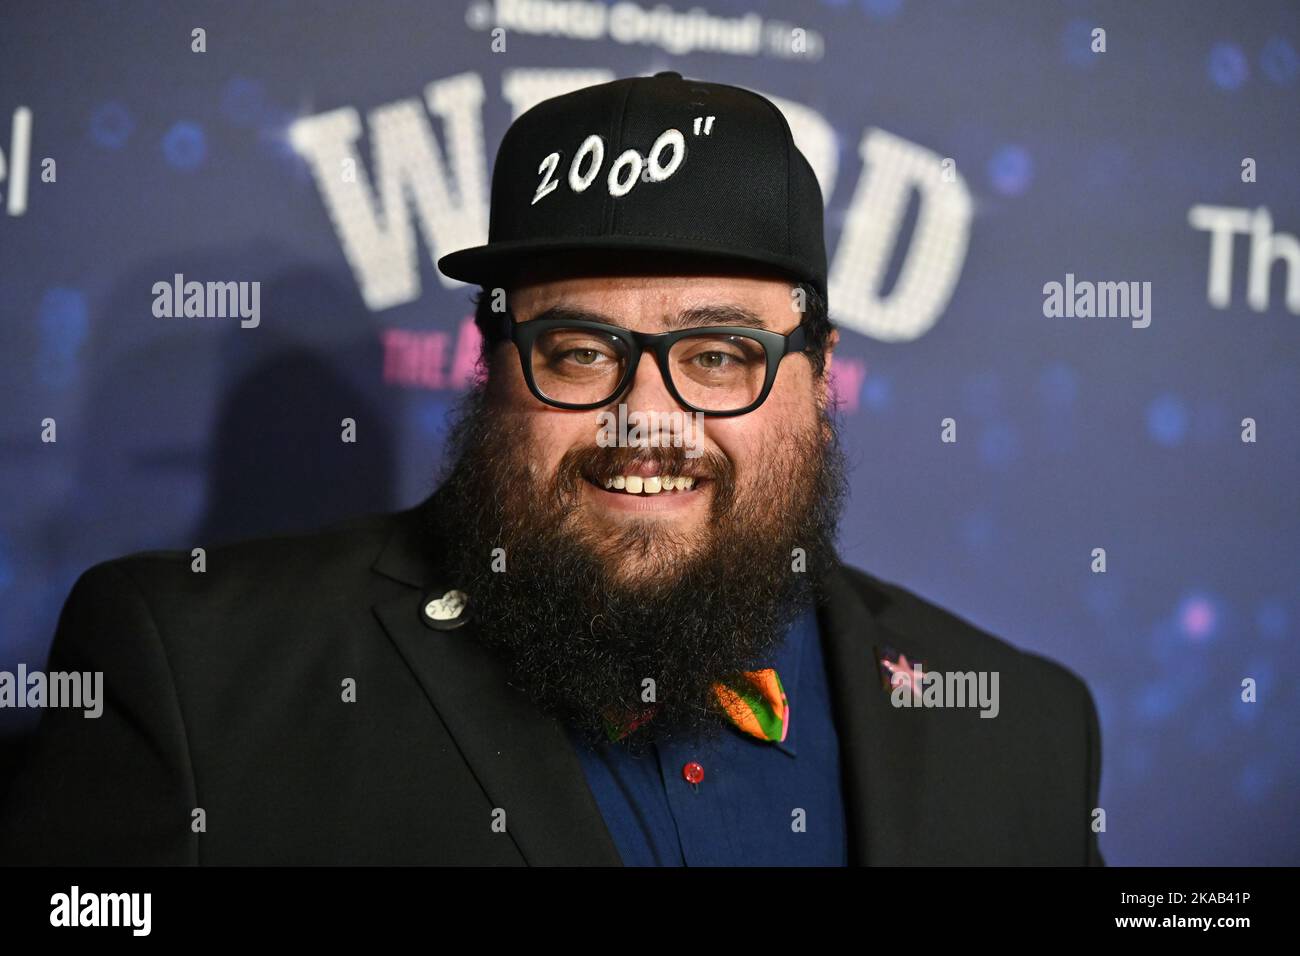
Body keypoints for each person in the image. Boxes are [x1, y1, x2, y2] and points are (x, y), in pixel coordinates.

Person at [0, 72, 1103, 866]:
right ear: (491, 365)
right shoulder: (192, 671)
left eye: (718, 356)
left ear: (818, 377)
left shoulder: (1018, 729)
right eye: (579, 351)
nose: (645, 416)